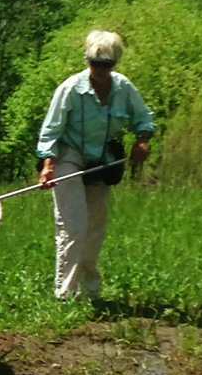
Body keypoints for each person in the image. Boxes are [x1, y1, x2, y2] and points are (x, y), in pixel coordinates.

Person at [35, 30, 155, 303]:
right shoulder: (70, 89)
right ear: (87, 60)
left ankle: (90, 291)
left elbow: (143, 118)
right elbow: (51, 130)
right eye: (95, 63)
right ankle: (65, 295)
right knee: (73, 225)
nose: (100, 70)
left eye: (107, 65)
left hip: (102, 160)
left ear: (115, 64)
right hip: (68, 156)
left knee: (95, 226)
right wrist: (48, 164)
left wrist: (143, 140)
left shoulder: (124, 88)